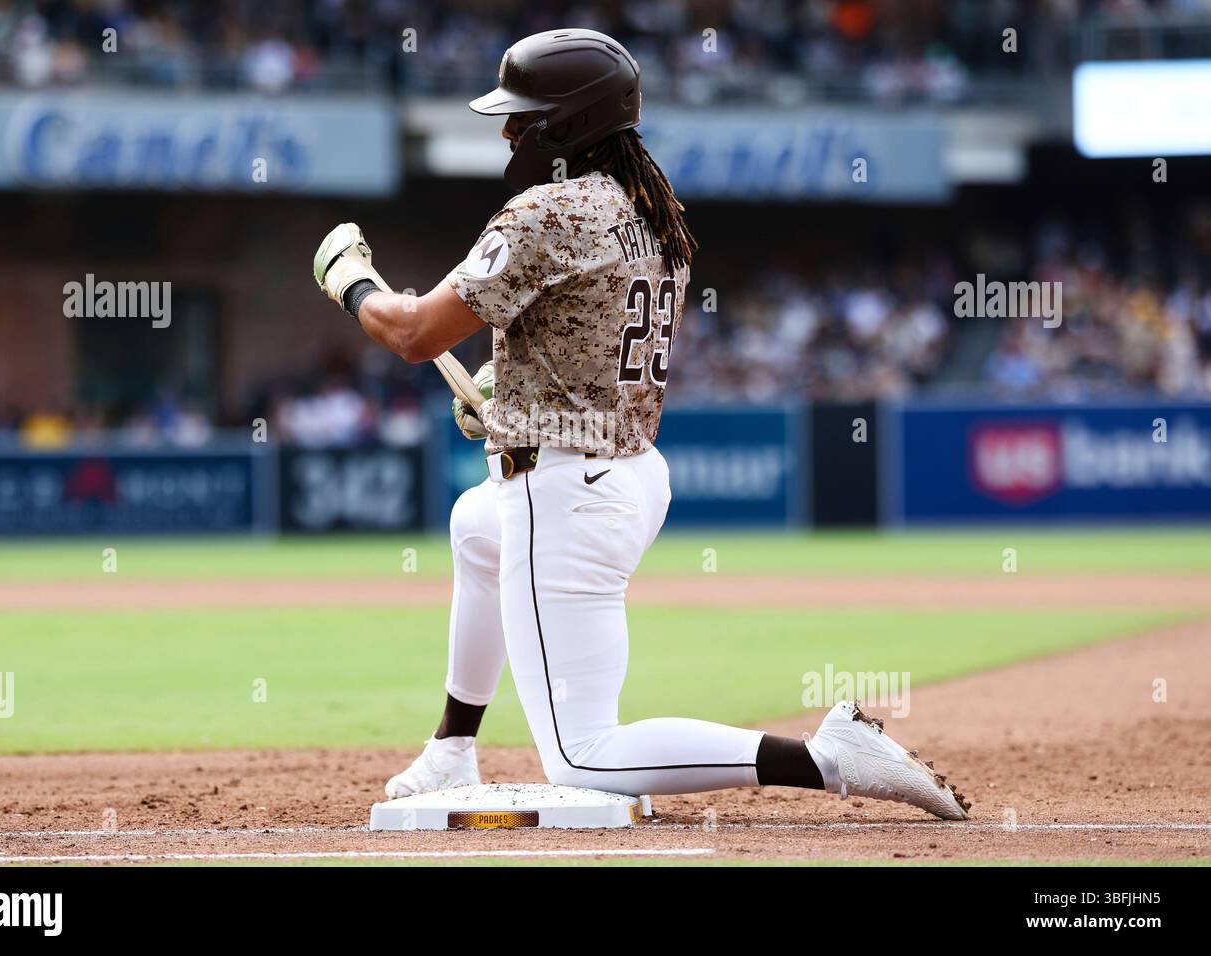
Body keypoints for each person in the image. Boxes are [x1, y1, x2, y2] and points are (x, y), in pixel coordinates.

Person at [313, 29, 968, 820]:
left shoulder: (545, 212)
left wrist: (353, 283)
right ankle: (452, 748)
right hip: (620, 471)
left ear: (569, 126)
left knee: (580, 755)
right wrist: (507, 388)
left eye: (523, 117)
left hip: (566, 492)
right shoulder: (651, 209)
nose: (508, 132)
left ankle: (826, 757)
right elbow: (583, 332)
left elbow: (414, 332)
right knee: (474, 526)